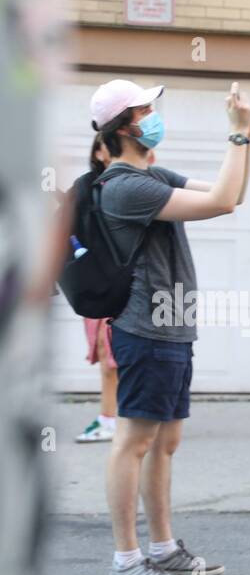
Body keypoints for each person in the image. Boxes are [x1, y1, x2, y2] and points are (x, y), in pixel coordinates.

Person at [96, 78, 250, 575]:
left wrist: (243, 140)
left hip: (172, 327)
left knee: (164, 442)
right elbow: (224, 201)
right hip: (145, 330)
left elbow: (233, 192)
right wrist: (238, 133)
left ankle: (162, 548)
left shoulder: (152, 174)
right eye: (146, 109)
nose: (155, 116)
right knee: (134, 441)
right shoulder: (124, 186)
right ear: (125, 126)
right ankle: (126, 559)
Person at [74, 138, 131, 445]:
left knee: (120, 355)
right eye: (106, 144)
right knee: (104, 353)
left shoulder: (131, 185)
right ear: (97, 151)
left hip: (127, 283)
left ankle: (123, 417)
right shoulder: (87, 186)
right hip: (96, 281)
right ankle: (109, 418)